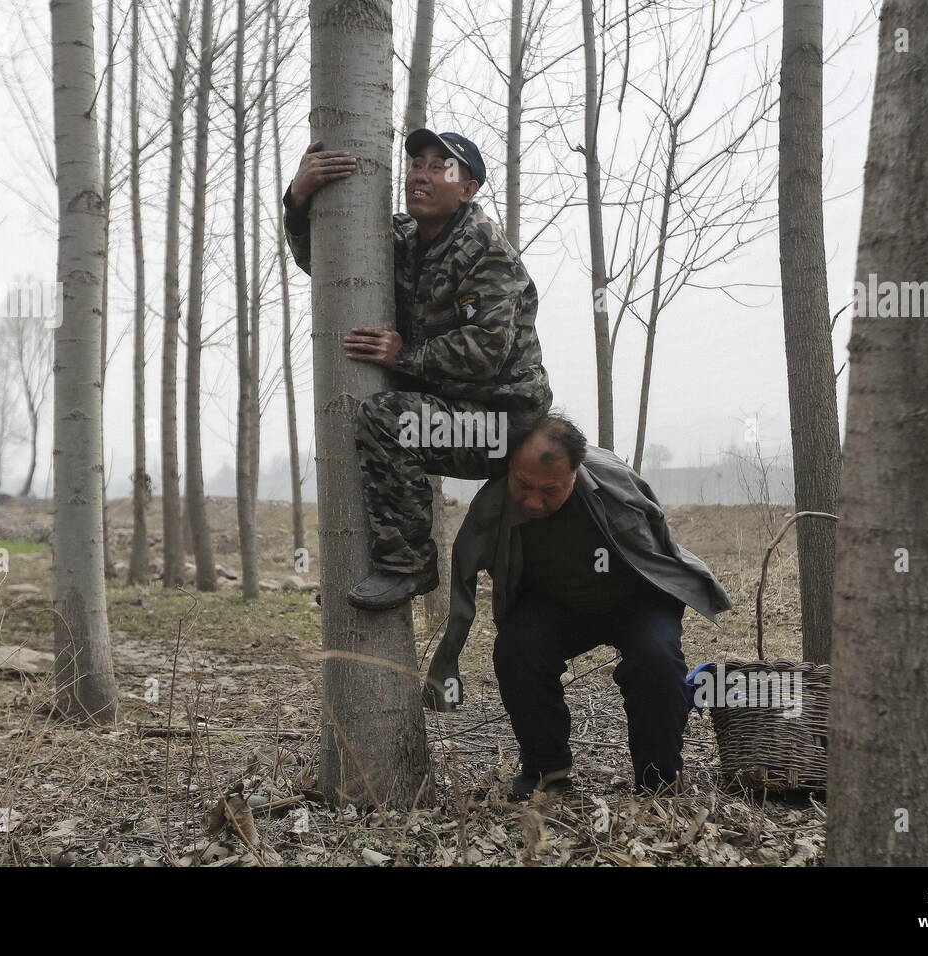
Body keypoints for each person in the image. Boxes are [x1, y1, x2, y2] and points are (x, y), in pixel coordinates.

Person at [282, 129, 551, 611]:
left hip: (502, 422)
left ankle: (409, 566)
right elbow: (324, 264)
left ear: (468, 189)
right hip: (452, 406)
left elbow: (486, 351)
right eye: (415, 164)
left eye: (439, 167)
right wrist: (298, 201)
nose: (420, 176)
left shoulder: (487, 251)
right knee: (389, 416)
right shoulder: (403, 236)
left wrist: (402, 356)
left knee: (389, 420)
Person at [423, 413, 733, 798]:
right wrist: (447, 663)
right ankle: (546, 773)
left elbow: (658, 541)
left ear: (575, 472)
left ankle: (659, 778)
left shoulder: (614, 483)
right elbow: (464, 574)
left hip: (637, 599)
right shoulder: (494, 504)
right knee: (516, 648)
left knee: (657, 661)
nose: (534, 501)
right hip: (556, 604)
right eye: (524, 485)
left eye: (550, 490)